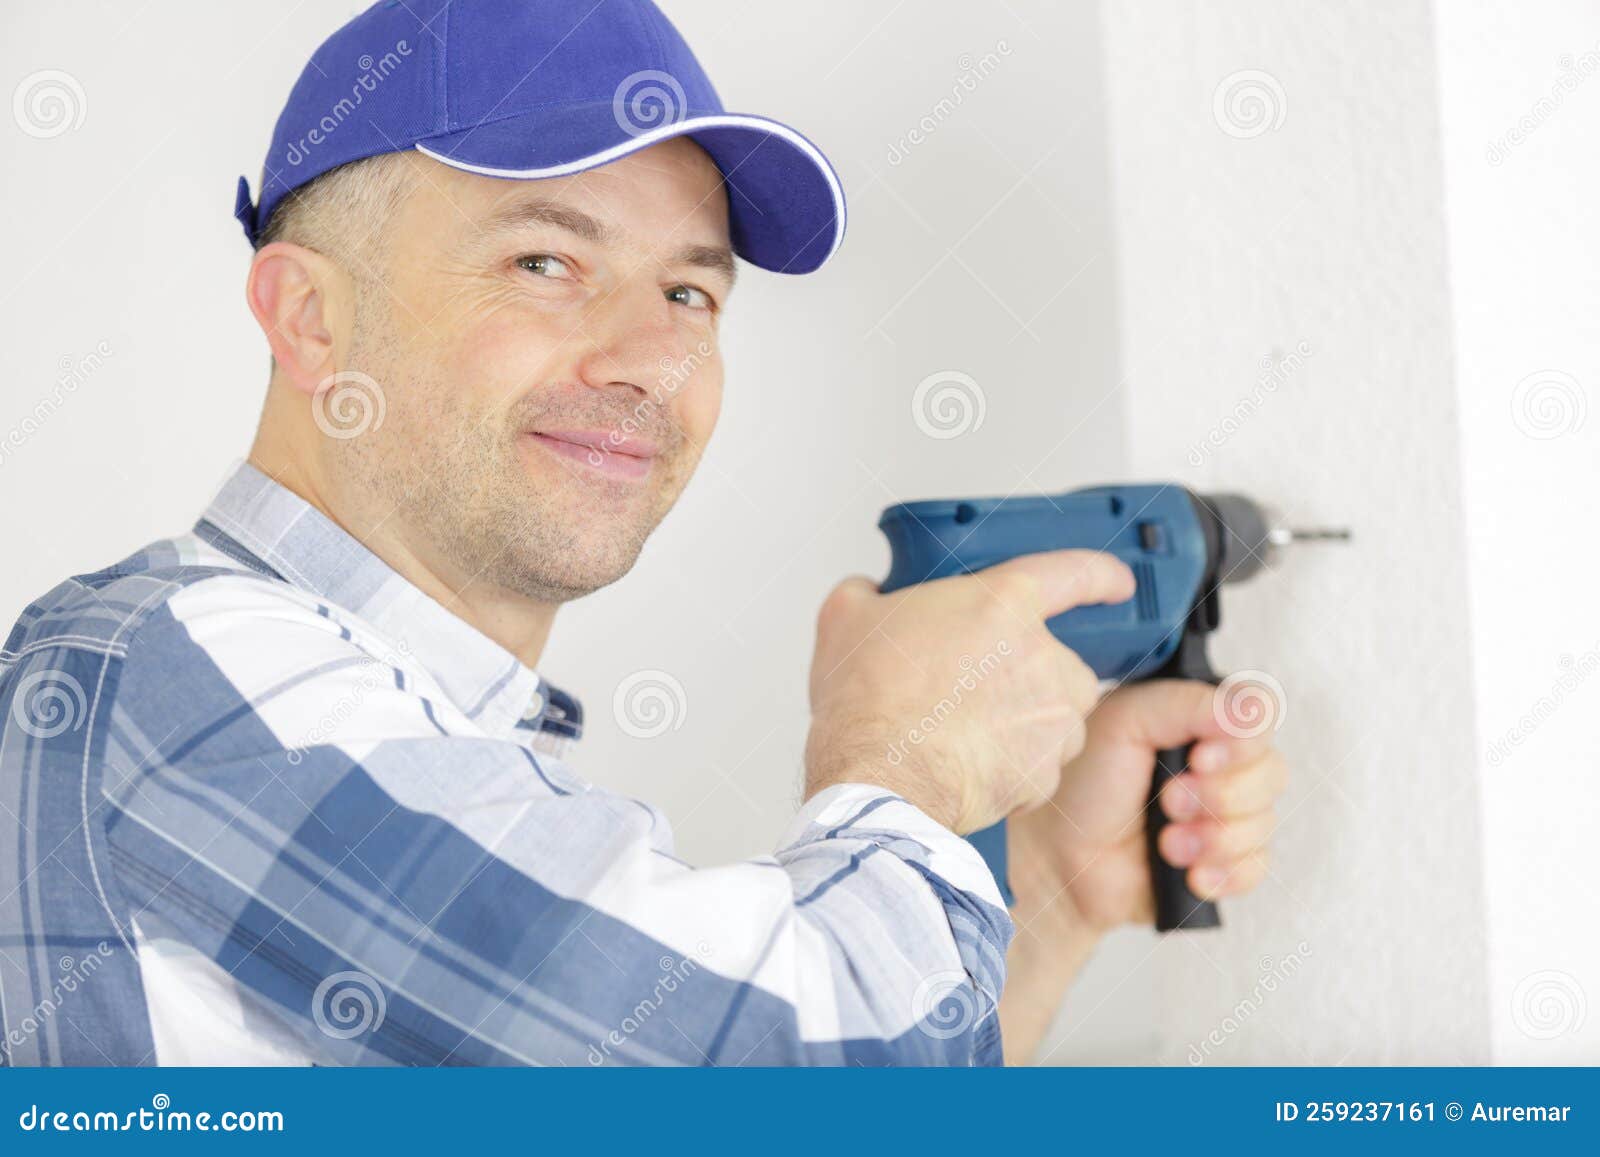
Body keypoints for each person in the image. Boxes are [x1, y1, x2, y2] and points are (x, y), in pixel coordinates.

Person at [0, 0, 1285, 1066]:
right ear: (309, 320)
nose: (651, 360)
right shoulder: (166, 681)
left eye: (689, 289)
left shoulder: (436, 752)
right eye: (545, 263)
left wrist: (1044, 898)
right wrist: (902, 768)